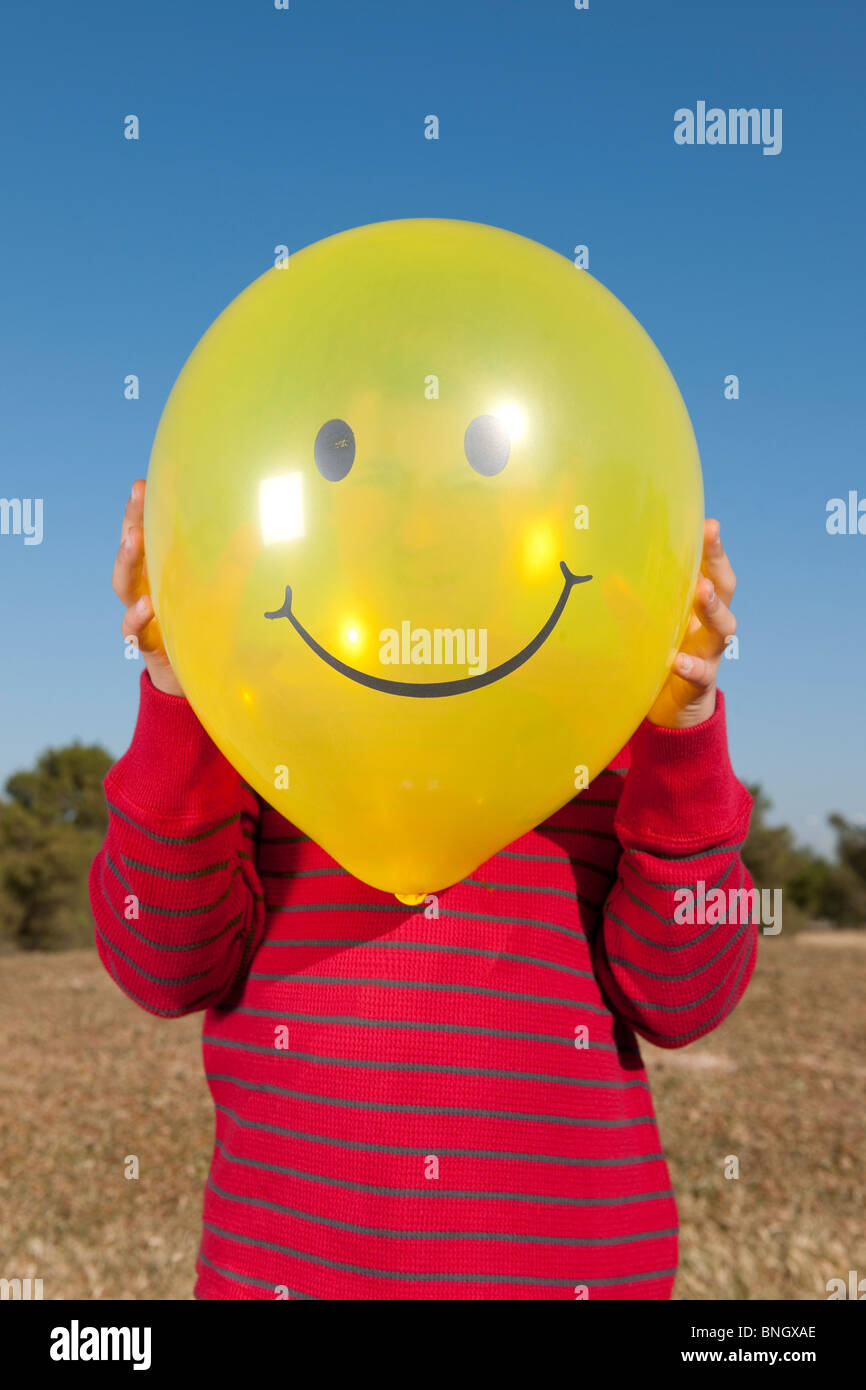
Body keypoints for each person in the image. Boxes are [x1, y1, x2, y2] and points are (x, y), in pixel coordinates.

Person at [89, 478, 756, 1300]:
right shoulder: (263, 717)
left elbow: (681, 999)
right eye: (383, 492)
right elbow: (165, 967)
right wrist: (181, 693)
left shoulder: (596, 718)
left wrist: (677, 739)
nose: (425, 529)